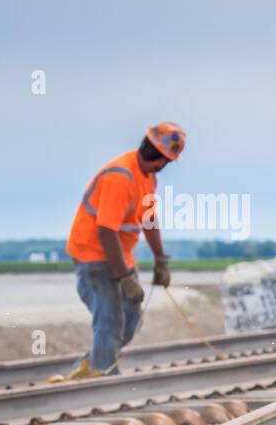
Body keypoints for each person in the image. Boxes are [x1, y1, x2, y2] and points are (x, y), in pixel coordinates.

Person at [57, 123, 185, 380]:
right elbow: (106, 232)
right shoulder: (120, 177)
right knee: (110, 321)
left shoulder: (148, 177)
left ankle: (89, 368)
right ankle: (104, 380)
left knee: (130, 321)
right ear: (161, 159)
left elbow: (148, 219)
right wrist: (125, 278)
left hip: (118, 257)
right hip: (93, 258)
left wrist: (160, 259)